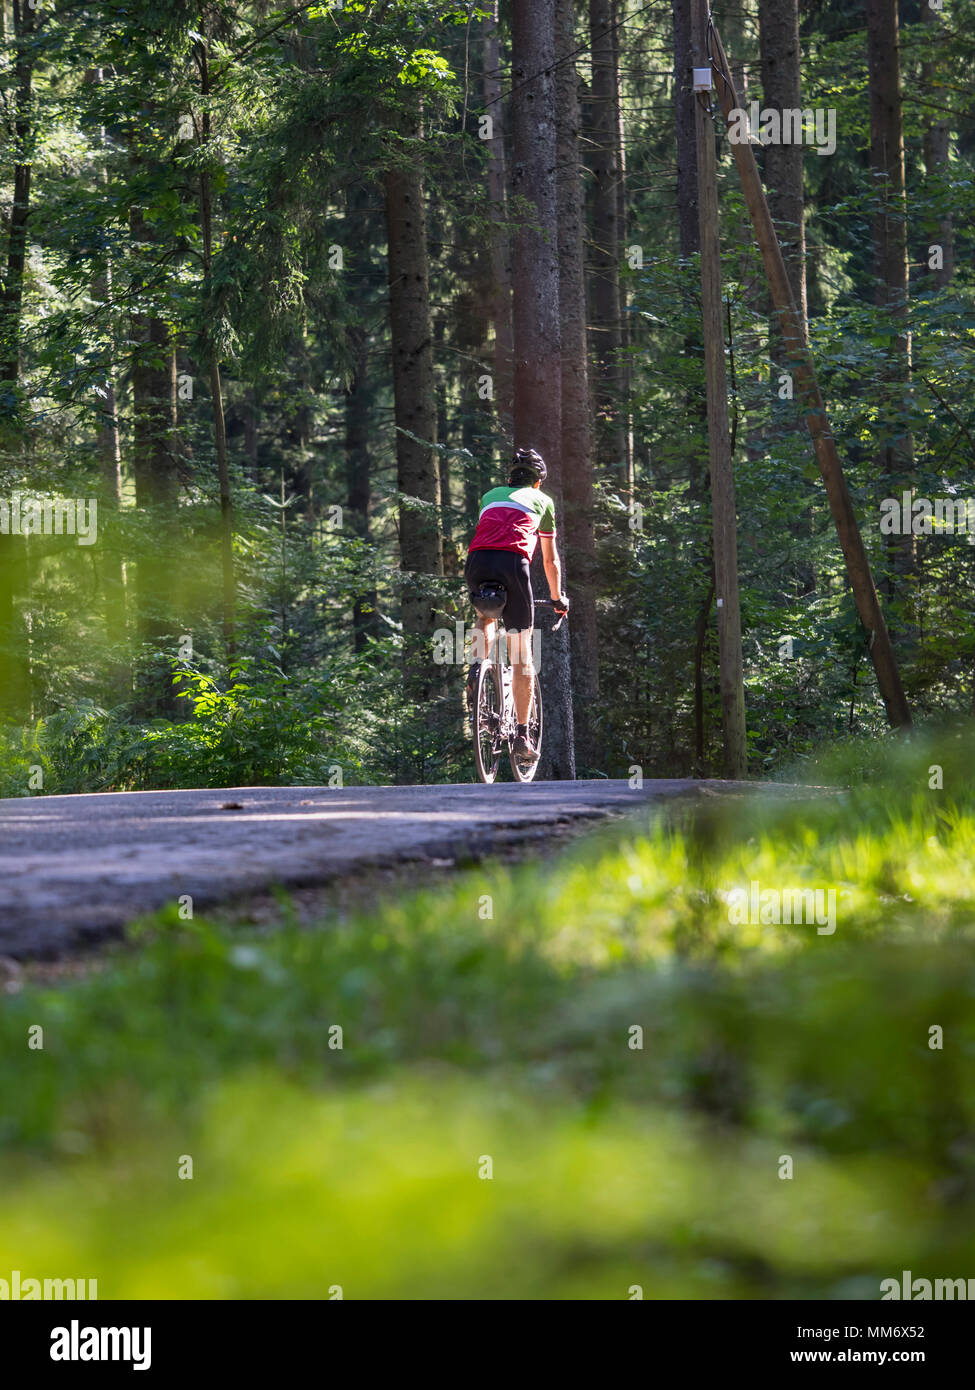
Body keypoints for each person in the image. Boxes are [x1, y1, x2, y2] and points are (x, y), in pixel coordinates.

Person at [464, 447, 570, 762]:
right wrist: (557, 597)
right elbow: (550, 560)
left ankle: (476, 667)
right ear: (537, 483)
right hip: (513, 564)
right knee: (522, 655)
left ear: (509, 479)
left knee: (485, 615)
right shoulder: (545, 501)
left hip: (477, 561)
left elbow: (489, 531)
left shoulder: (489, 495)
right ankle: (523, 735)